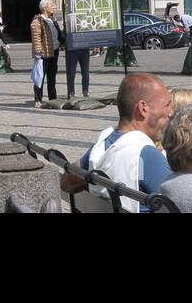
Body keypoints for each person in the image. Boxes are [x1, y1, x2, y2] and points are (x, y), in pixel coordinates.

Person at [61, 73, 173, 212]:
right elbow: (183, 206)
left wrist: (99, 184)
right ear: (143, 108)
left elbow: (66, 183)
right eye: (167, 105)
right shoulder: (146, 154)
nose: (171, 112)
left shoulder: (102, 146)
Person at [31, 0, 61, 107]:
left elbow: (57, 34)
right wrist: (38, 52)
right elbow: (36, 37)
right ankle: (38, 99)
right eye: (52, 5)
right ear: (45, 8)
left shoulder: (52, 19)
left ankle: (52, 99)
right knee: (40, 76)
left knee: (52, 76)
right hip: (43, 53)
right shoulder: (37, 21)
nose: (54, 7)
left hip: (54, 51)